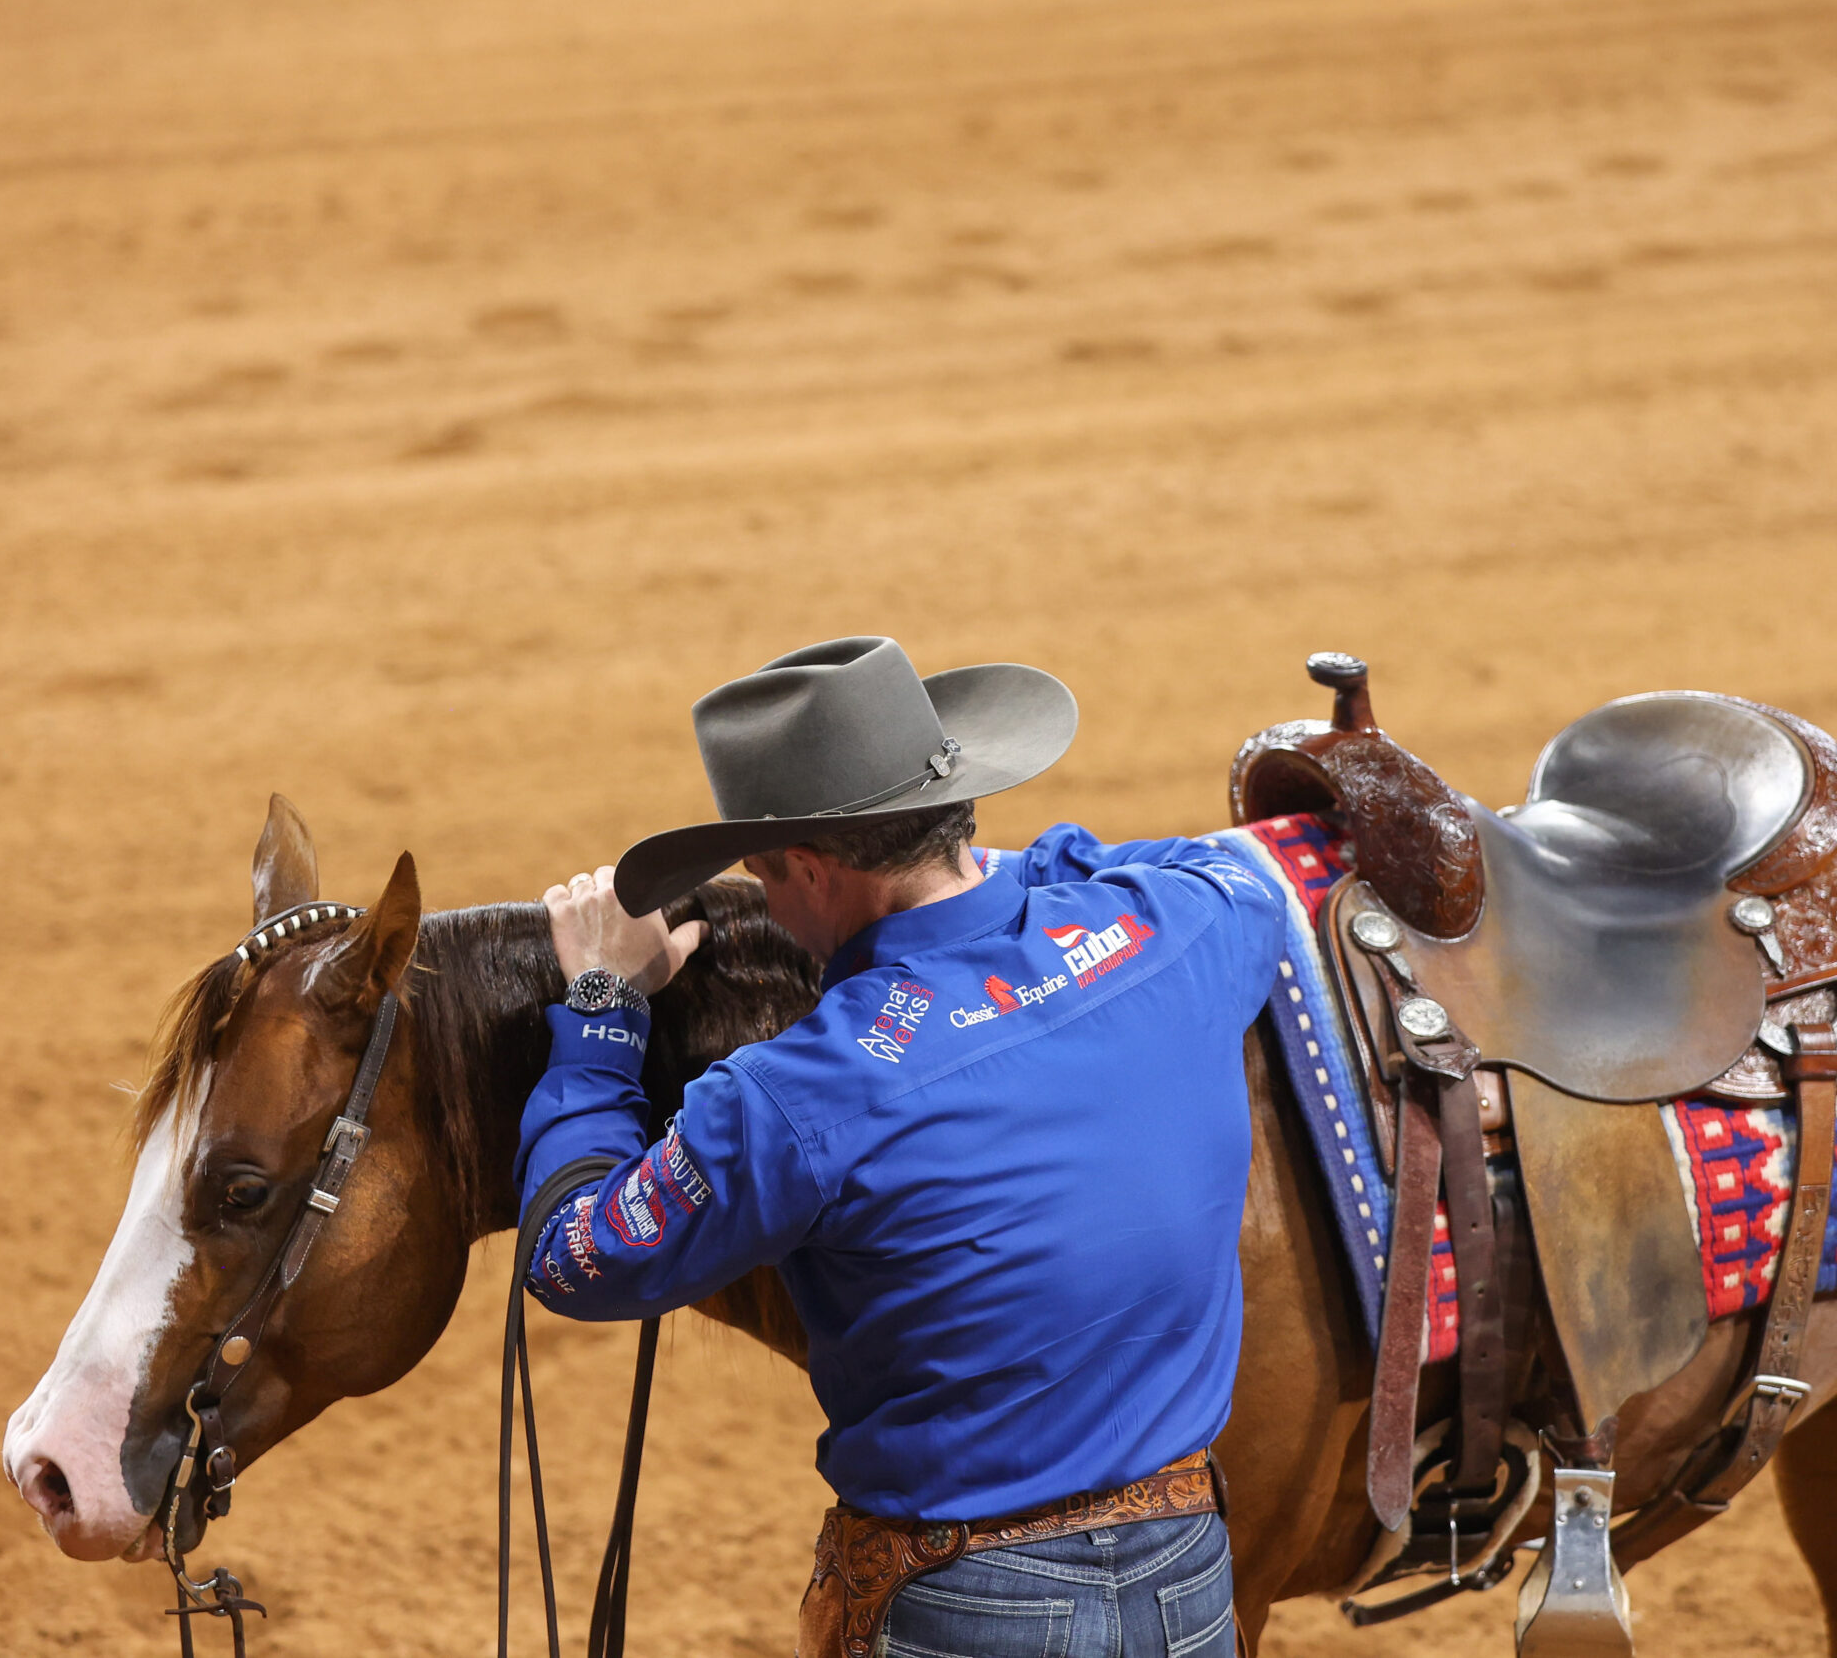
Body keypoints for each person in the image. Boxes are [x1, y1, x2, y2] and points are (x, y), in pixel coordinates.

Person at [516, 635, 1285, 1658]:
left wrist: (604, 1006)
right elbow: (1239, 873)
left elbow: (578, 1255)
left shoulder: (795, 1094)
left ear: (805, 870)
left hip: (974, 1603)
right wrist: (1010, 889)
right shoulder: (1184, 925)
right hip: (1187, 1579)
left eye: (761, 869)